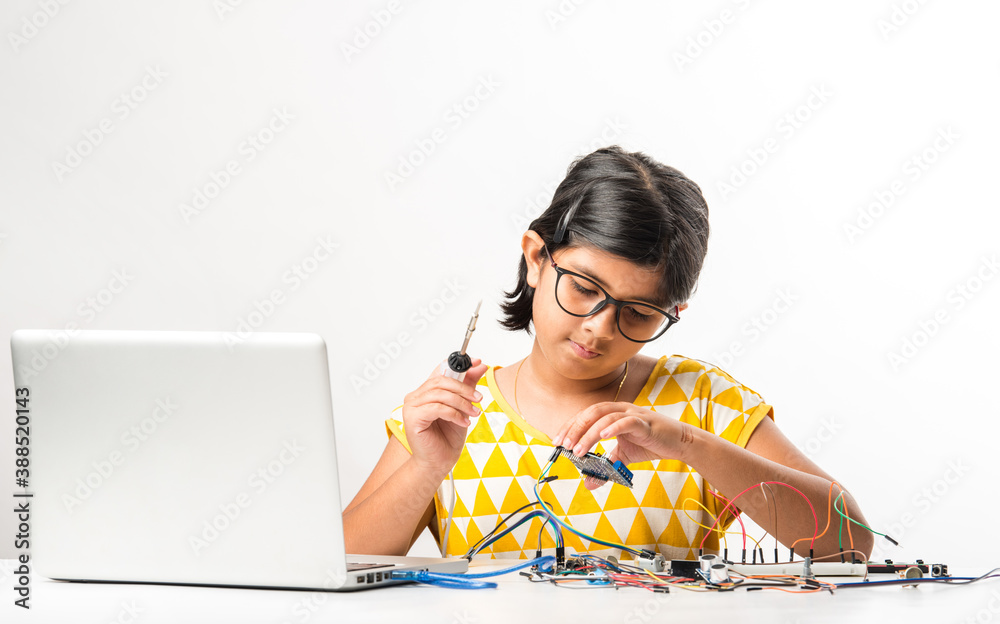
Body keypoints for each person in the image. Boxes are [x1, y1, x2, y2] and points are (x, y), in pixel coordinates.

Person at [343, 146, 872, 562]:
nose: (598, 329)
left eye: (638, 313)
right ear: (535, 258)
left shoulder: (702, 403)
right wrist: (425, 468)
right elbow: (334, 566)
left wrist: (687, 443)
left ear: (672, 314)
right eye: (581, 288)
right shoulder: (453, 414)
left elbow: (849, 543)